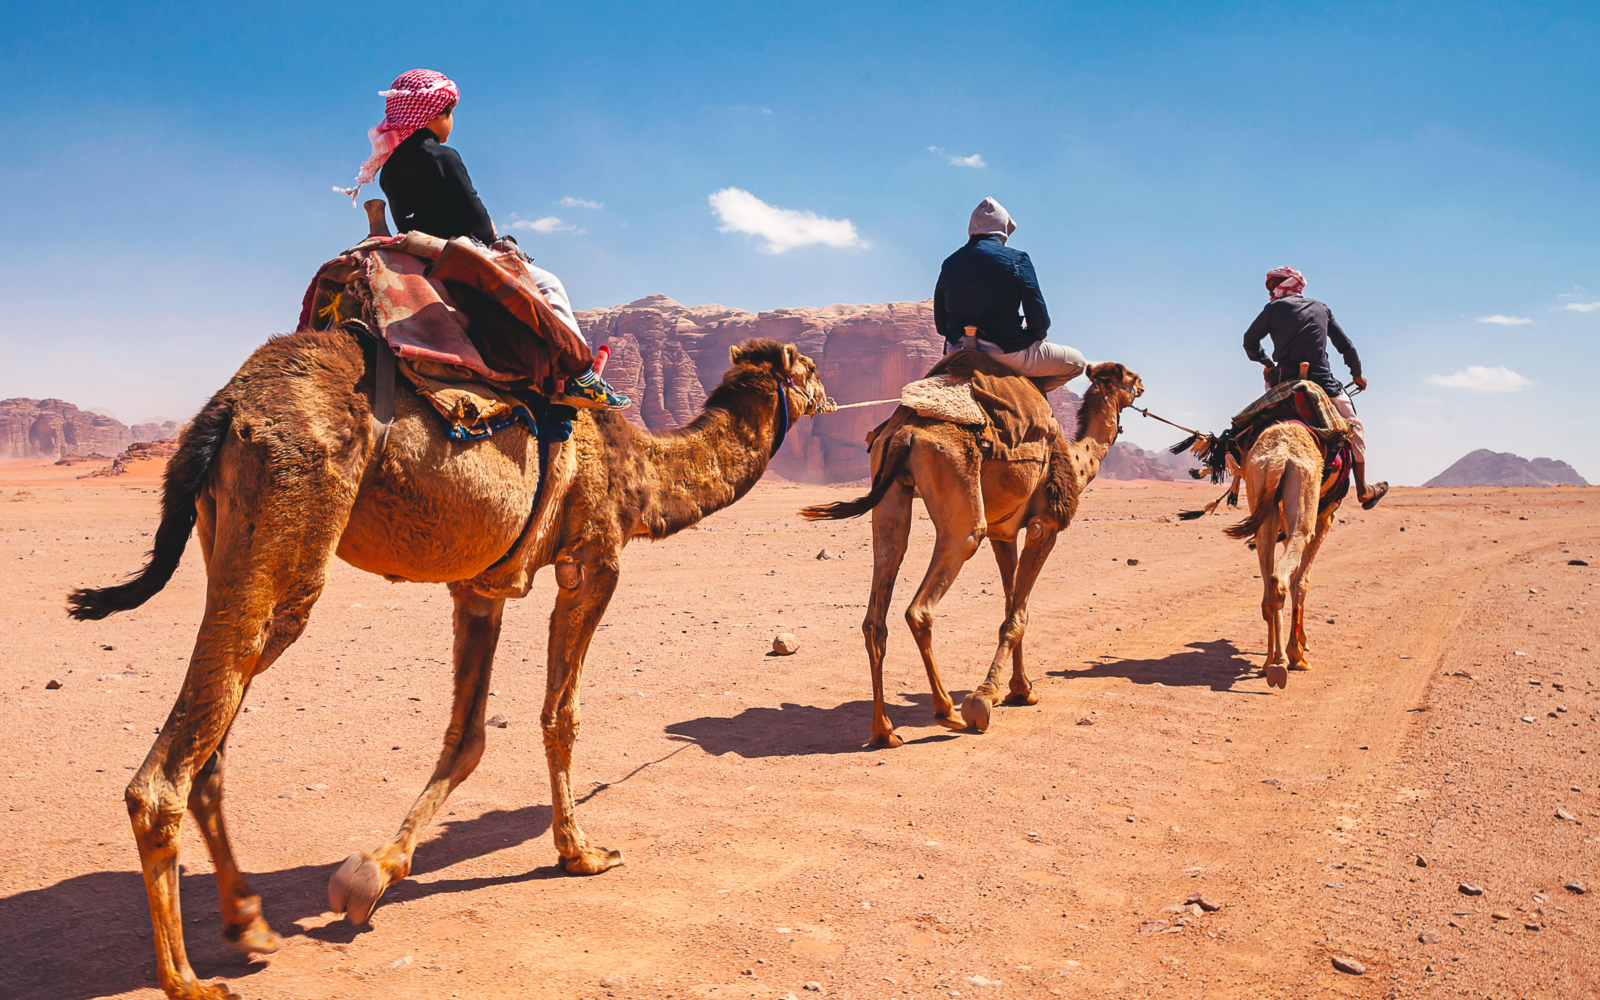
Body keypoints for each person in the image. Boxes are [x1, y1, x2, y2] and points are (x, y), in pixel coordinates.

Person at [337, 69, 628, 411]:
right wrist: (495, 235)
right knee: (549, 285)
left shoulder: (389, 172)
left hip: (422, 259)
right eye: (451, 114)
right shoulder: (444, 157)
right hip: (459, 257)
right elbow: (481, 227)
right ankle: (580, 376)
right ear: (437, 115)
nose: (452, 123)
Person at [1243, 266, 1387, 508]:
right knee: (1355, 428)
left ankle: (1238, 470)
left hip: (1284, 382)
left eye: (1274, 285)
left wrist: (1267, 362)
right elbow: (1346, 347)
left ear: (1287, 283)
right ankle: (1362, 489)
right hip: (1322, 382)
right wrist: (1357, 375)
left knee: (1248, 422)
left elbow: (1249, 342)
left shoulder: (1272, 309)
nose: (1272, 291)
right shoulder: (1322, 308)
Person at [932, 197, 1087, 392]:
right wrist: (1034, 336)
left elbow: (941, 325)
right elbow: (1039, 321)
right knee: (1077, 362)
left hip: (957, 352)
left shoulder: (949, 263)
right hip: (1006, 351)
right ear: (1002, 229)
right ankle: (1028, 394)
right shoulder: (1017, 259)